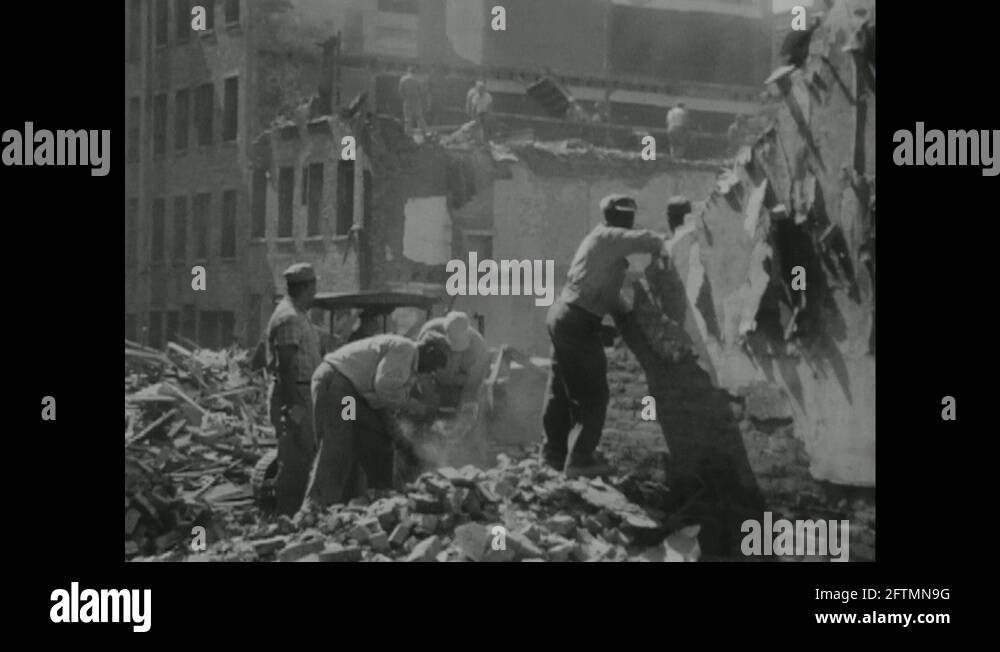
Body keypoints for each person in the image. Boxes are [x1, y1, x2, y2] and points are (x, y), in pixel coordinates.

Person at [542, 194, 668, 478]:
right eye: (626, 217)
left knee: (561, 392)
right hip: (576, 320)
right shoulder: (609, 237)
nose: (629, 222)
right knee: (593, 396)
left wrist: (627, 319)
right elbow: (648, 240)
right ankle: (581, 460)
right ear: (615, 218)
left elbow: (610, 298)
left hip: (565, 315)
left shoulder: (604, 248)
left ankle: (553, 455)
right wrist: (670, 244)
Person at [302, 332, 451, 509]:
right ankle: (314, 507)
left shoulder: (406, 365)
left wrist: (402, 443)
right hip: (340, 385)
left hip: (350, 391)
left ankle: (376, 497)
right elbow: (385, 389)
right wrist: (415, 406)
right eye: (435, 364)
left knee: (377, 437)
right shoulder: (405, 350)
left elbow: (383, 408)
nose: (432, 371)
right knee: (339, 441)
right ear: (430, 351)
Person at [265, 263, 322, 515]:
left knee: (303, 456)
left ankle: (292, 514)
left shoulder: (297, 314)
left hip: (301, 393)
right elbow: (285, 367)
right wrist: (295, 406)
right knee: (294, 461)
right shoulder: (289, 317)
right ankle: (286, 518)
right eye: (313, 288)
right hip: (294, 395)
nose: (315, 294)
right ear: (306, 287)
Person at [417, 311, 490, 417]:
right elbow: (421, 368)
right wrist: (429, 396)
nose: (455, 352)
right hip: (433, 383)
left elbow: (473, 385)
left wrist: (464, 412)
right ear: (445, 332)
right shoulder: (429, 331)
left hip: (459, 389)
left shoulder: (479, 349)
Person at [398, 66, 428, 135]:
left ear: (408, 71)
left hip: (407, 100)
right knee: (419, 117)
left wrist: (405, 98)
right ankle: (425, 134)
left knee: (407, 119)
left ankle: (408, 134)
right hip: (416, 99)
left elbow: (400, 91)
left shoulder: (403, 79)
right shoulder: (417, 79)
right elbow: (421, 91)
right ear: (415, 72)